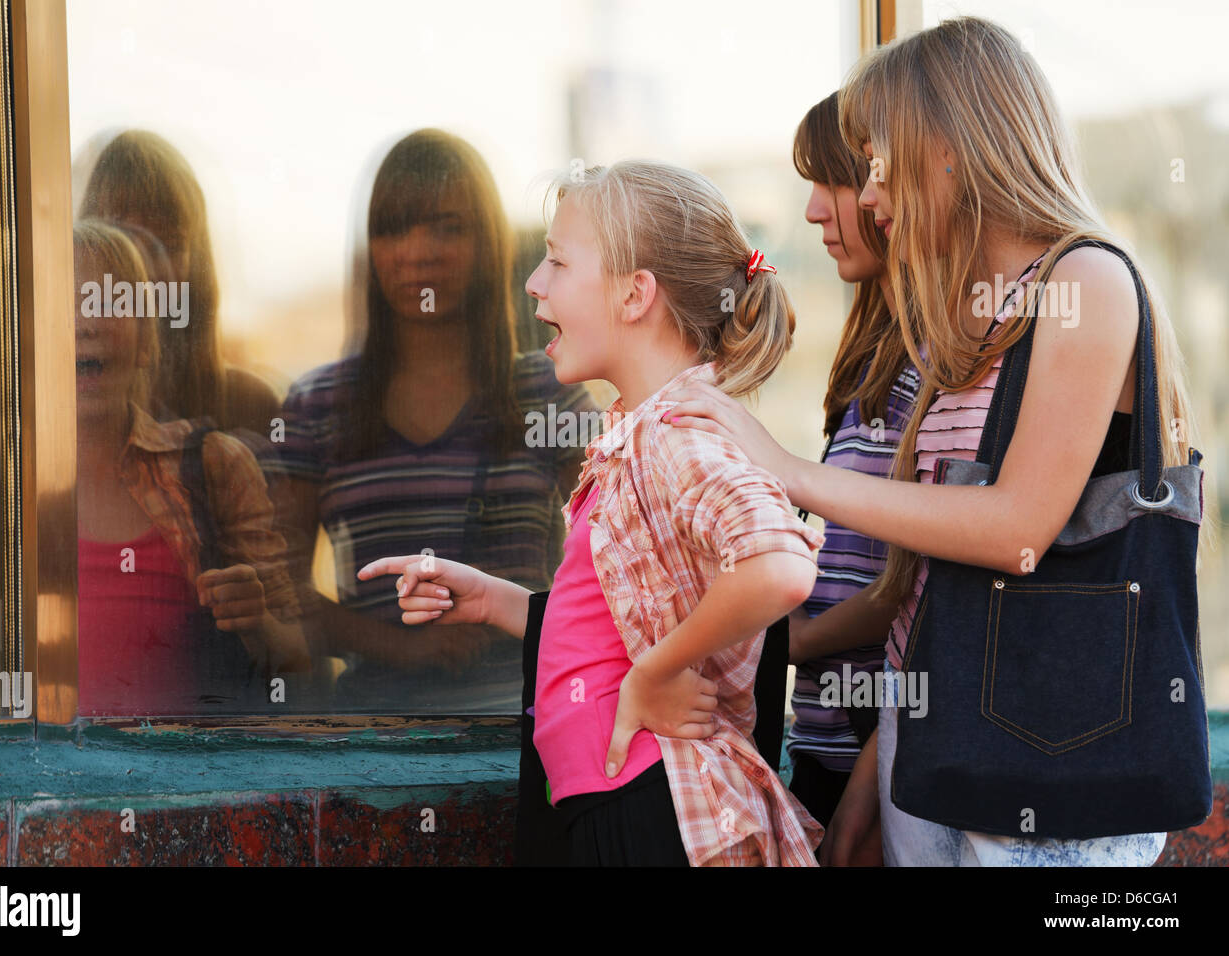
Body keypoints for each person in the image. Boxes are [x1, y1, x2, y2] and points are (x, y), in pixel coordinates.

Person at [658, 16, 1215, 866]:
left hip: (1050, 768)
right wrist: (881, 764)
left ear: (946, 151)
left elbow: (1017, 531)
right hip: (938, 753)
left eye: (878, 161)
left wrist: (787, 473)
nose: (869, 194)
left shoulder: (1084, 281)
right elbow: (929, 588)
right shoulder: (967, 322)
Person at [360, 160, 827, 866]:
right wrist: (493, 601)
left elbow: (780, 566)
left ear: (636, 294)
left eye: (556, 262)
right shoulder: (644, 431)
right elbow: (615, 622)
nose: (534, 283)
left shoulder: (678, 430)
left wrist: (654, 676)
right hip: (620, 804)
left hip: (650, 814)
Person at [269, 129, 596, 711]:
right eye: (395, 228)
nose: (419, 250)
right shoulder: (318, 405)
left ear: (488, 243)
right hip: (369, 736)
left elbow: (615, 557)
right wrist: (399, 647)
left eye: (448, 227)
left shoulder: (547, 391)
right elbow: (281, 589)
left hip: (529, 723)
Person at [0, 220, 309, 715]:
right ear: (32, 349)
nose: (85, 322)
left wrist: (256, 617)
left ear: (148, 342)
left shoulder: (213, 466)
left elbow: (295, 658)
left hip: (190, 782)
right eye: (63, 307)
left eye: (108, 302)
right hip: (64, 787)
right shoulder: (15, 506)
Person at [783, 90, 919, 845]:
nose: (814, 211)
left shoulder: (943, 364)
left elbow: (920, 586)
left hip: (880, 755)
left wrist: (792, 642)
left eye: (833, 180)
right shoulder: (870, 353)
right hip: (824, 740)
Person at [78, 129, 281, 440]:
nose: (143, 264)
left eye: (168, 244)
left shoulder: (251, 405)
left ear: (196, 263)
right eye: (124, 241)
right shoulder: (60, 405)